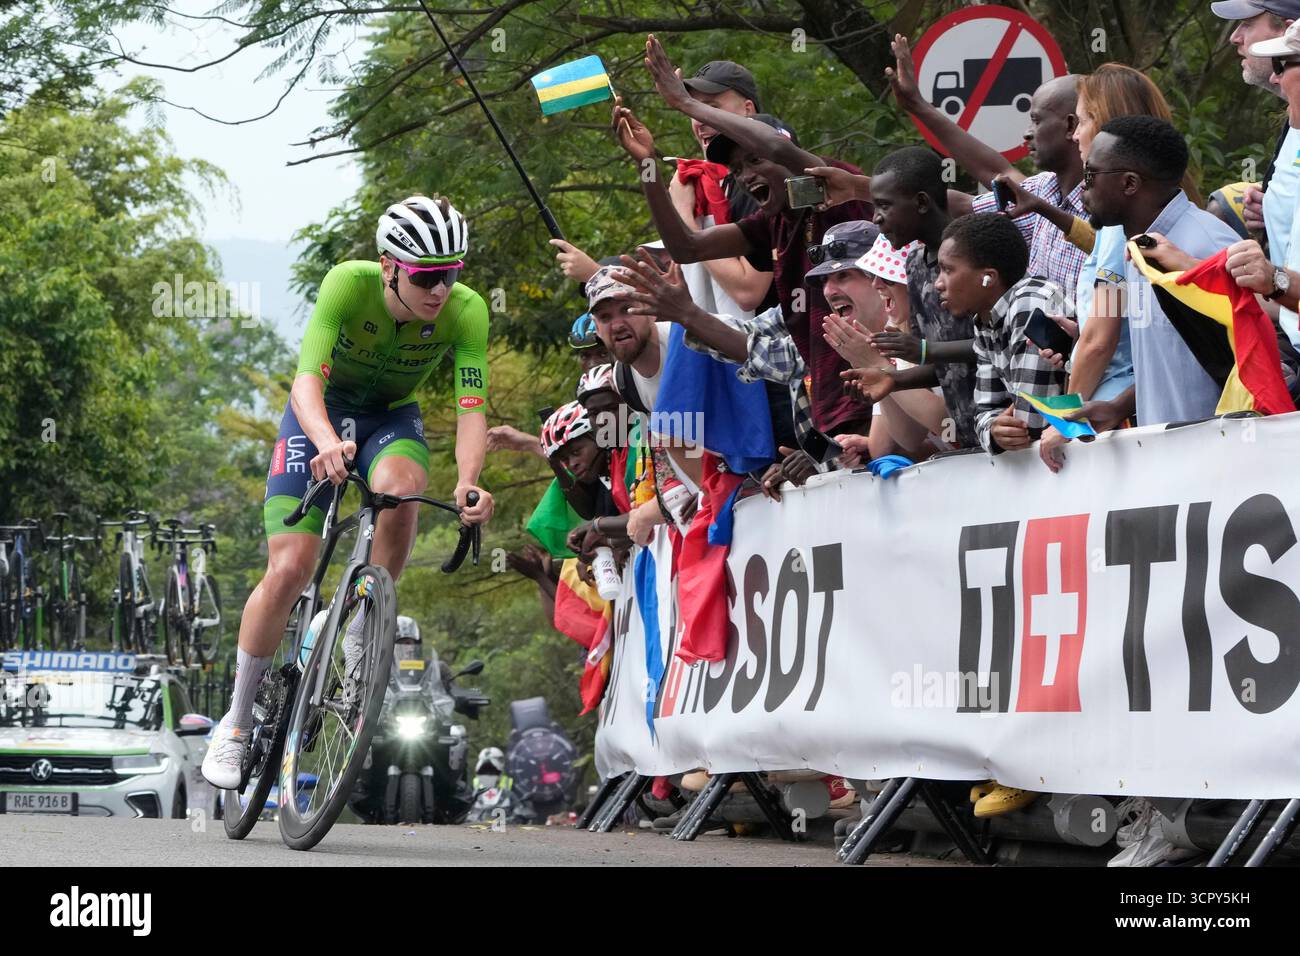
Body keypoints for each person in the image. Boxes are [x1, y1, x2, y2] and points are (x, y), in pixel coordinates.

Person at [202, 195, 495, 789]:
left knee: (405, 487)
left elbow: (471, 408)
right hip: (319, 413)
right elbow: (306, 379)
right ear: (390, 266)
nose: (442, 289)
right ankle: (235, 723)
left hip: (392, 416)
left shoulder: (467, 311)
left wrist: (469, 480)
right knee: (290, 568)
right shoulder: (346, 284)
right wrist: (325, 440)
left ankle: (360, 617)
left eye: (452, 272)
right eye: (427, 275)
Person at [614, 34, 873, 436]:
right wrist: (647, 166)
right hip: (829, 422)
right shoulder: (774, 221)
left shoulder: (833, 186)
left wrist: (684, 102)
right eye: (737, 170)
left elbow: (774, 145)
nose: (746, 175)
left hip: (881, 412)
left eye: (753, 161)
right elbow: (687, 248)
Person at [1056, 118, 1242, 446]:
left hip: (1217, 457)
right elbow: (1178, 360)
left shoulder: (1205, 247)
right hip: (1163, 455)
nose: (1082, 187)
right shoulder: (1137, 248)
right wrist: (1119, 406)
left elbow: (1252, 360)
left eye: (1090, 174)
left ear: (1129, 184)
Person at [883, 34, 1088, 293]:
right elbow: (974, 192)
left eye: (1037, 120)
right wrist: (917, 106)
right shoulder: (1043, 189)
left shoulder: (1108, 204)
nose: (1027, 133)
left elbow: (1116, 300)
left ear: (1071, 125)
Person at [847, 146, 978, 449]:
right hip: (970, 441)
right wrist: (890, 379)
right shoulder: (915, 263)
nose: (876, 218)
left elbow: (998, 343)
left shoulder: (976, 248)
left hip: (1008, 426)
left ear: (921, 202)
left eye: (884, 206)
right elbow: (935, 365)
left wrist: (923, 350)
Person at [934, 214, 1069, 456]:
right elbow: (985, 411)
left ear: (988, 278)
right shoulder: (985, 319)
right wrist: (995, 431)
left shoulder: (1030, 303)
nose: (938, 284)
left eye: (947, 270)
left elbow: (1031, 424)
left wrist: (1005, 428)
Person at [1211, 1, 1298, 234]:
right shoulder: (1293, 121)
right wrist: (1272, 205)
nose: (1234, 38)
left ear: (1288, 32)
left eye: (1247, 24)